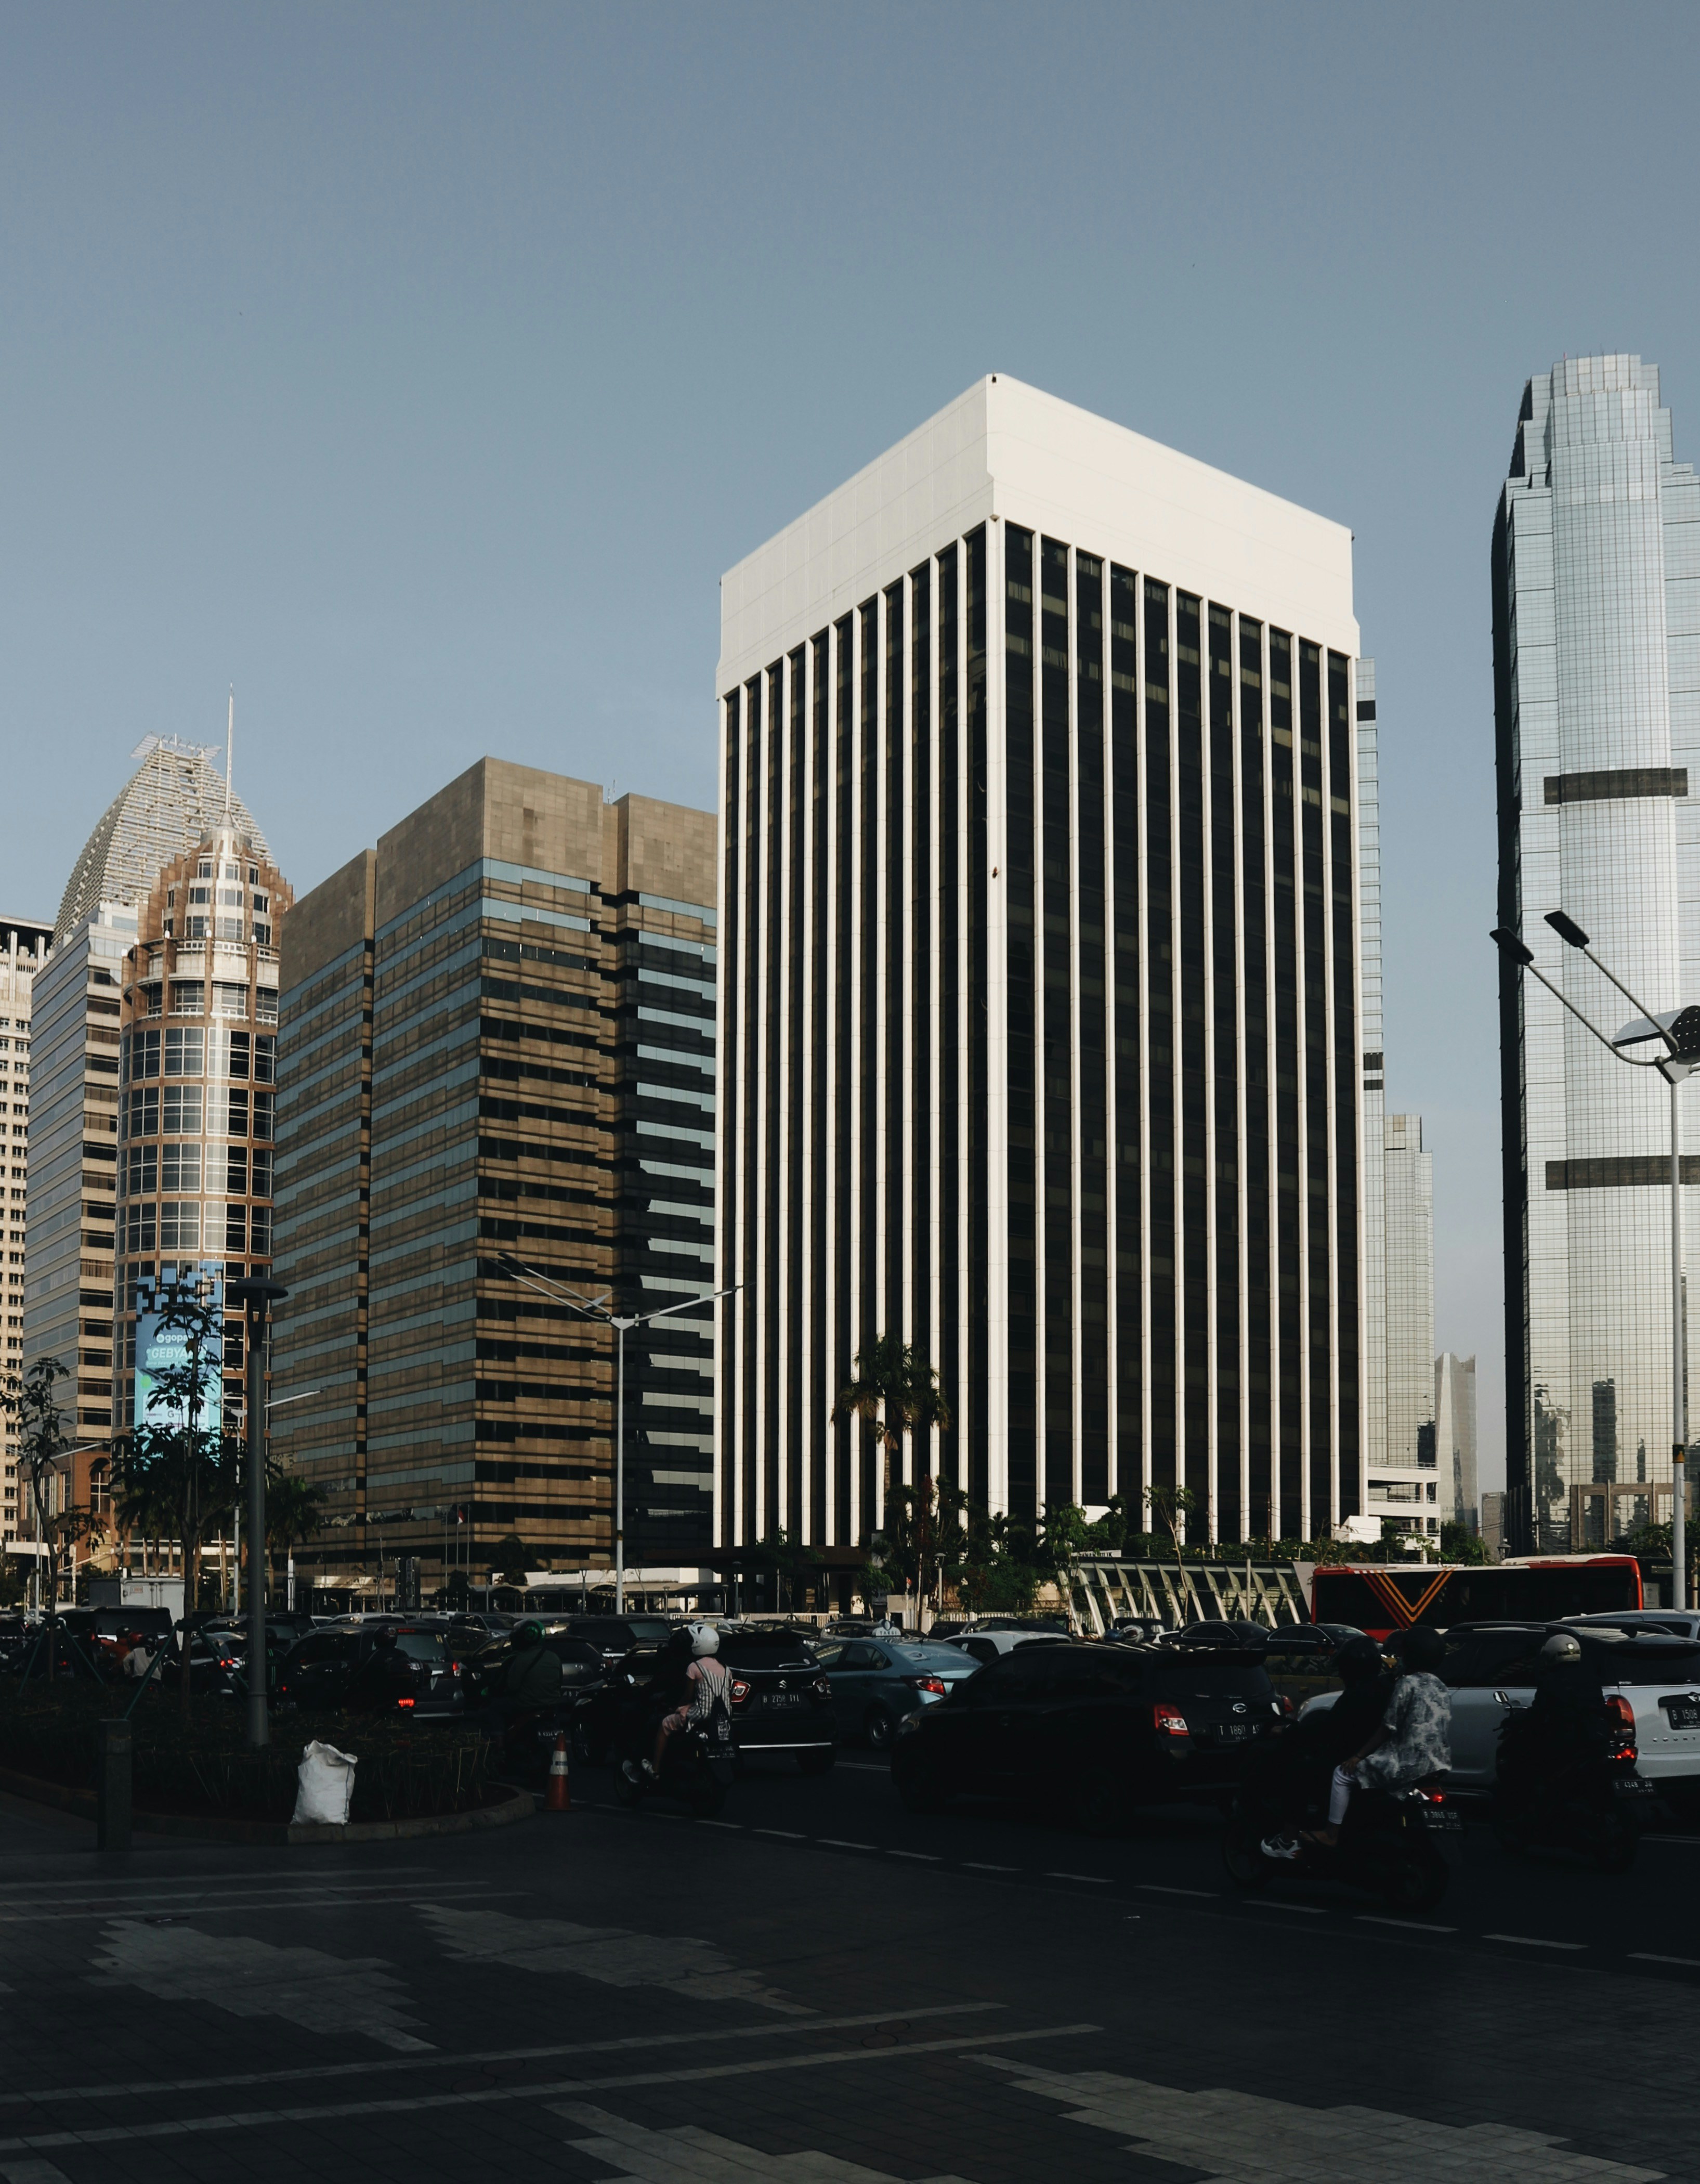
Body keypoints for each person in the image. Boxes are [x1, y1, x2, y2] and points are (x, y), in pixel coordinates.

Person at [1276, 1624, 1451, 1854]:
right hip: (1438, 1762)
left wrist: (1358, 1757)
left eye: (1402, 1654)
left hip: (1405, 1762)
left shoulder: (1405, 1685)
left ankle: (1331, 1834)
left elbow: (1387, 1728)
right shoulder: (1440, 1687)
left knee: (1341, 1773)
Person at [1259, 1636, 1393, 1858]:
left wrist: (1287, 1732)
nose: (1340, 1674)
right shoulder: (1384, 1688)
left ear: (1351, 1669)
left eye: (1343, 1669)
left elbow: (1327, 1729)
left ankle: (1289, 1839)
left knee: (1299, 1771)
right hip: (1376, 1758)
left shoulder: (1357, 1696)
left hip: (1351, 1759)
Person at [629, 1624, 730, 1783]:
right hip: (722, 1715)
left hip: (699, 1713)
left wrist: (677, 1708)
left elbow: (687, 1696)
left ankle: (655, 1769)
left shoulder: (692, 1666)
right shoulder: (725, 1667)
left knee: (663, 1724)